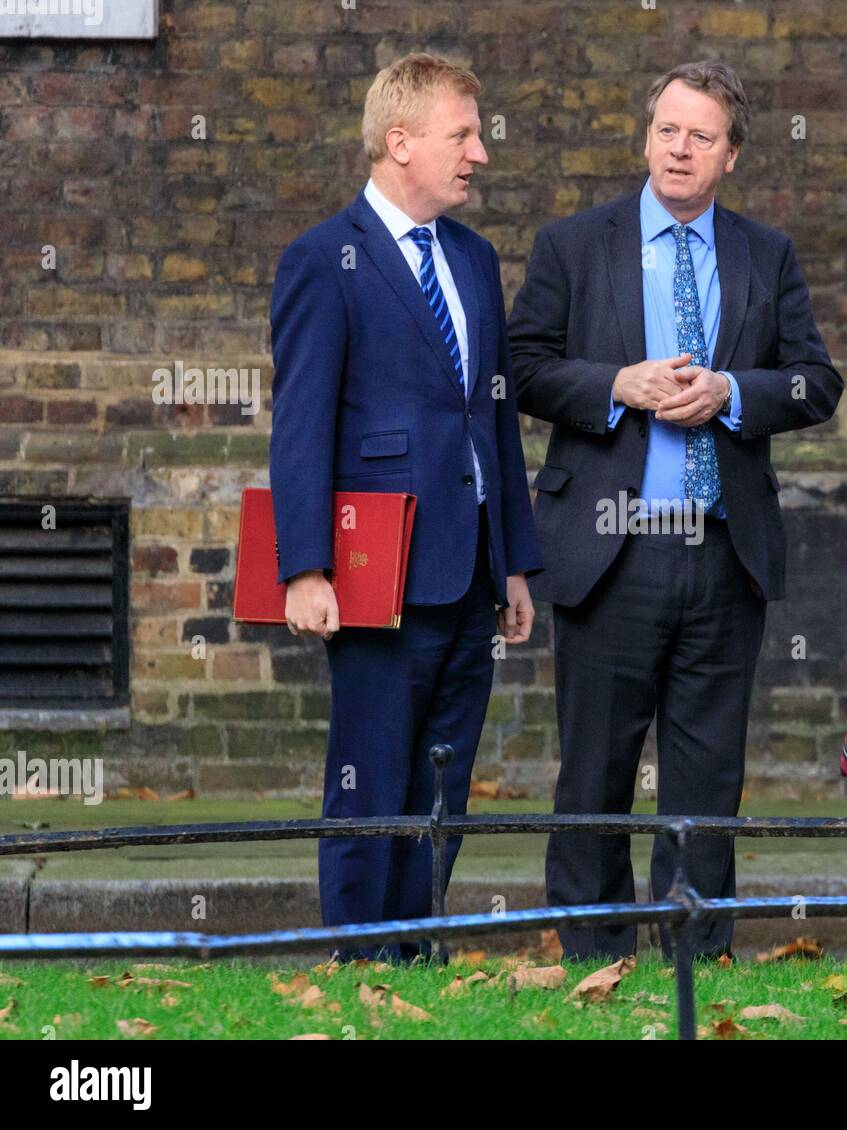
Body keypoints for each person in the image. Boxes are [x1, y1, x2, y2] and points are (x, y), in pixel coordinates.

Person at [508, 59, 843, 962]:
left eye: (701, 135)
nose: (679, 149)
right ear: (645, 136)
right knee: (594, 774)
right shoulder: (575, 245)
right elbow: (523, 367)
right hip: (609, 547)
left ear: (732, 154)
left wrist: (734, 391)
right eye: (667, 129)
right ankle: (593, 955)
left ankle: (697, 955)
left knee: (705, 778)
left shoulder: (765, 253)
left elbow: (817, 382)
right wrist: (617, 383)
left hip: (722, 552)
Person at [268, 53, 542, 964]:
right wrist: (303, 566)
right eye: (462, 135)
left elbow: (492, 416)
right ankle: (357, 955)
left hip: (470, 571)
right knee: (369, 777)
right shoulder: (322, 259)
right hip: (375, 574)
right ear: (400, 142)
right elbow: (300, 423)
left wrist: (515, 561)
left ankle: (416, 947)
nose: (479, 154)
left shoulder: (473, 258)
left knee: (444, 779)